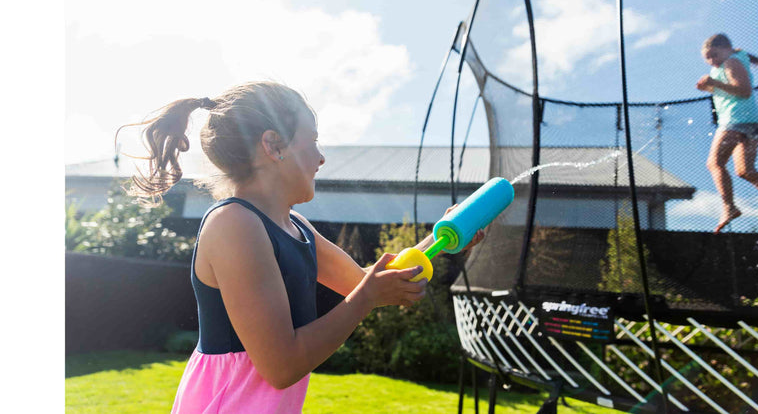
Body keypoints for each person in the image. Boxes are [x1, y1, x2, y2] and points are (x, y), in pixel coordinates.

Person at [116, 81, 483, 413]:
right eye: (314, 141)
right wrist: (368, 296)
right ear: (274, 146)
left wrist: (443, 237)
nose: (321, 158)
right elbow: (282, 366)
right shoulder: (234, 224)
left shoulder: (295, 227)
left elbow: (364, 282)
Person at [695, 34, 758, 233]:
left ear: (726, 49)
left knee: (714, 163)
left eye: (714, 55)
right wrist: (708, 87)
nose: (712, 61)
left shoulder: (731, 62)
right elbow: (731, 90)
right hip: (752, 122)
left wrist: (715, 84)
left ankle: (729, 207)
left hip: (736, 120)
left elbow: (744, 91)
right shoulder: (735, 57)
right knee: (745, 171)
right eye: (707, 58)